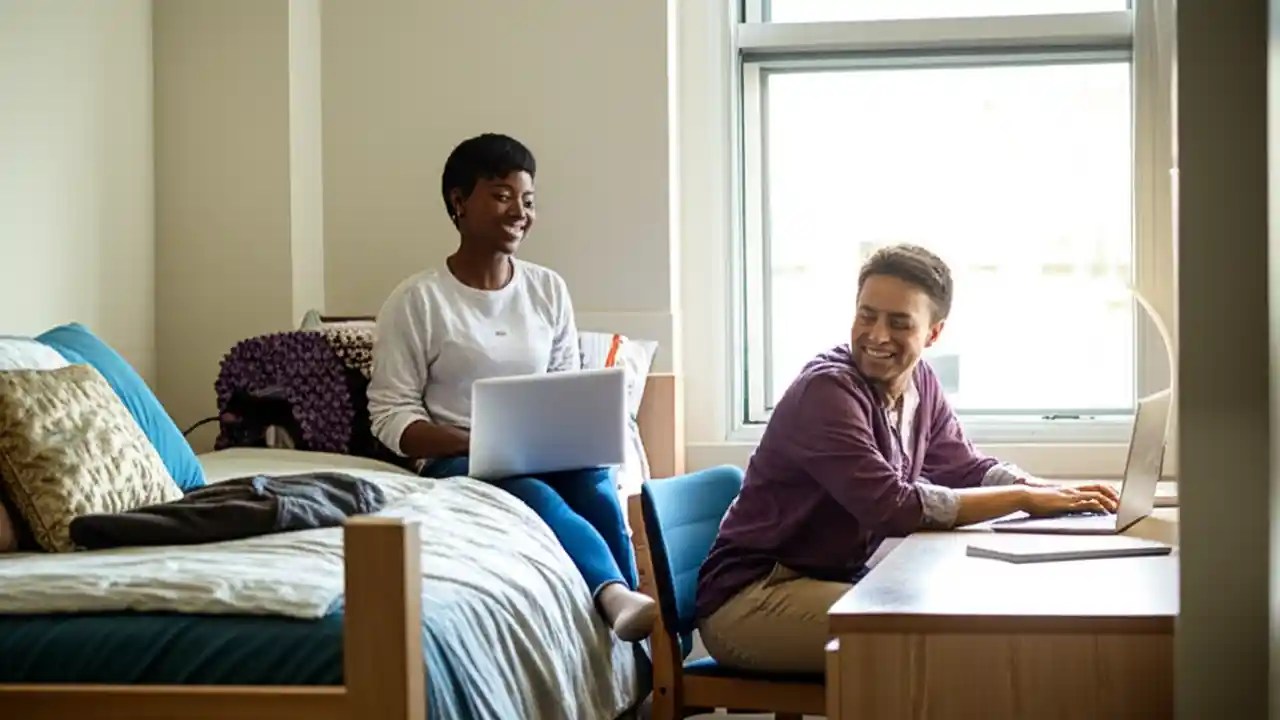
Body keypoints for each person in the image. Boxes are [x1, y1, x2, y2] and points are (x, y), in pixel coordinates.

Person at [695, 243, 1121, 673]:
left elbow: (964, 467)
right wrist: (1022, 499)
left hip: (823, 582)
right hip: (753, 599)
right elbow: (892, 506)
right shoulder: (826, 393)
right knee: (937, 641)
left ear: (932, 333)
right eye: (866, 315)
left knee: (968, 618)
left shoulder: (919, 384)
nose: (877, 336)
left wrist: (1044, 490)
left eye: (899, 323)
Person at [367, 133, 656, 641]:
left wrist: (564, 437)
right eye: (501, 195)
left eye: (528, 200)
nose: (519, 211)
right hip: (457, 459)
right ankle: (611, 591)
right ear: (459, 202)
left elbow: (567, 387)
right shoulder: (417, 301)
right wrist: (477, 441)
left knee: (595, 483)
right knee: (532, 496)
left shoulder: (547, 289)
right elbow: (391, 417)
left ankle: (638, 643)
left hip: (543, 450)